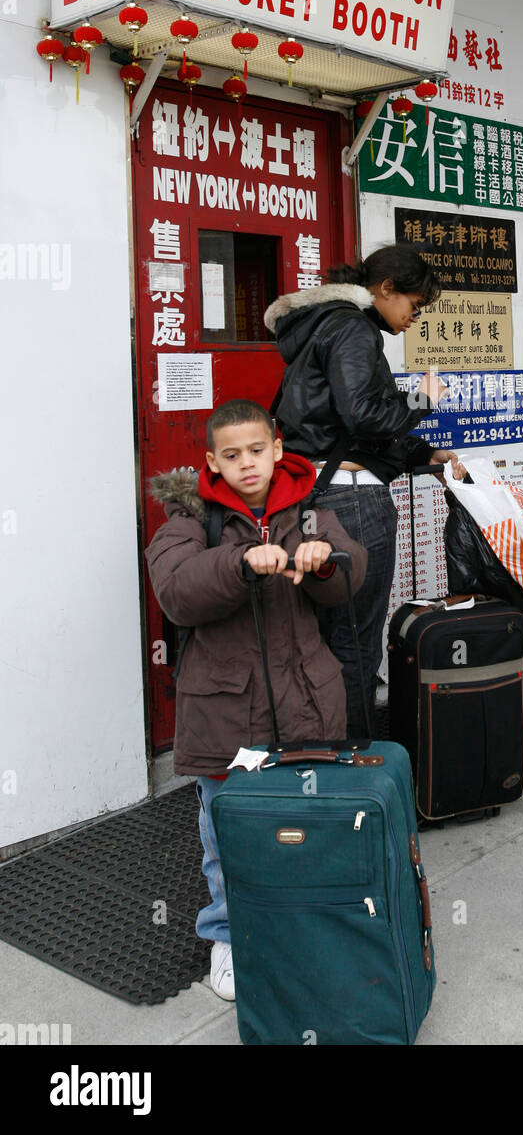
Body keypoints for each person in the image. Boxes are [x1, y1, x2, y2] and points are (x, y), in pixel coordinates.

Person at [145, 399, 368, 1000]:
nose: (248, 464)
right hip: (225, 714)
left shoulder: (312, 510)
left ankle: (300, 924)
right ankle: (227, 936)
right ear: (211, 461)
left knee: (305, 826)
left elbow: (354, 576)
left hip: (306, 705)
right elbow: (176, 590)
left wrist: (327, 564)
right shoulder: (192, 519)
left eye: (258, 450)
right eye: (232, 455)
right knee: (229, 835)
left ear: (276, 447)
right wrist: (240, 562)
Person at [265, 244, 464, 737]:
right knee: (355, 642)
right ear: (387, 289)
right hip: (353, 502)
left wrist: (420, 454)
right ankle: (352, 760)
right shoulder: (353, 327)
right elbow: (364, 414)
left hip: (316, 495)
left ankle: (317, 751)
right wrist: (423, 398)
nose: (414, 318)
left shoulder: (321, 326)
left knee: (327, 638)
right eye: (414, 305)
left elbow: (343, 425)